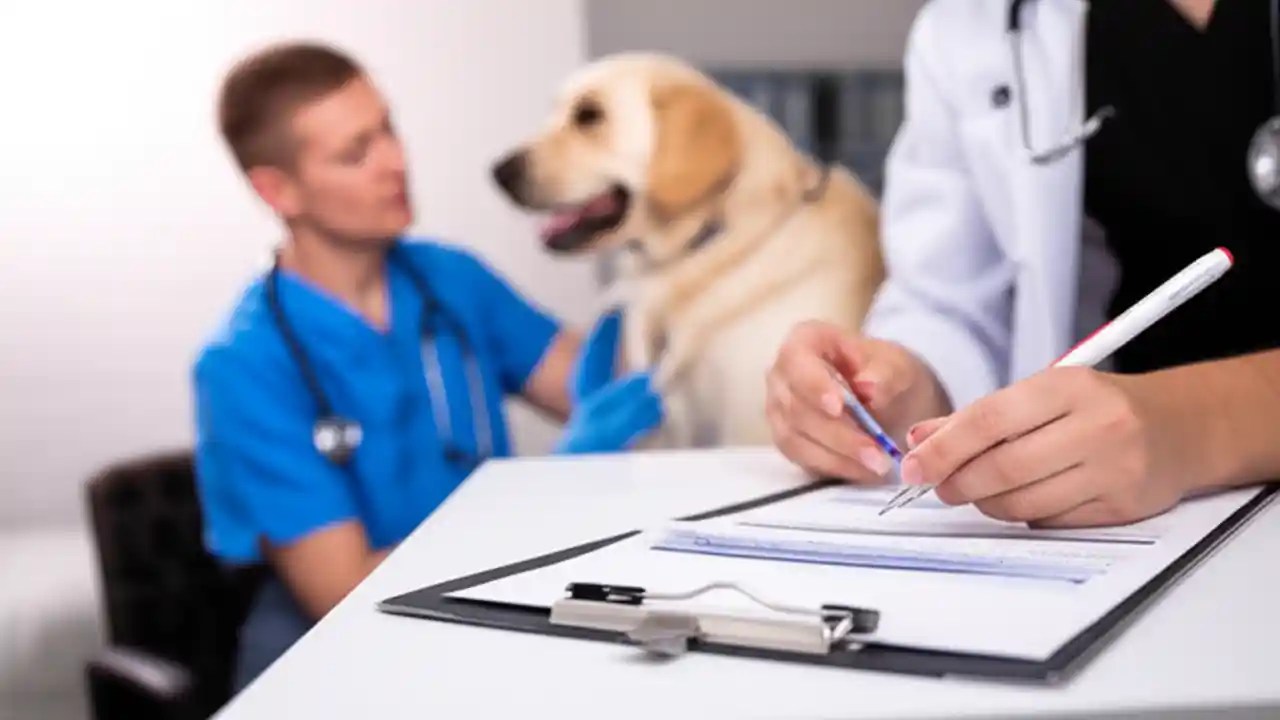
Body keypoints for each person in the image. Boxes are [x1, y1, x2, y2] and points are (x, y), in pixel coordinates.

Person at [193, 41, 661, 690]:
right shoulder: (243, 364)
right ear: (278, 189)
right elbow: (342, 590)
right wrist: (528, 514)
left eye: (388, 129)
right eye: (356, 152)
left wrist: (672, 274)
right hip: (335, 664)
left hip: (479, 616)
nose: (395, 161)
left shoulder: (450, 280)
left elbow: (595, 386)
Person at [766, 0, 1280, 528]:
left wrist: (1195, 427)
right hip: (1137, 524)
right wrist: (900, 386)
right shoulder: (973, 27)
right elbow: (954, 301)